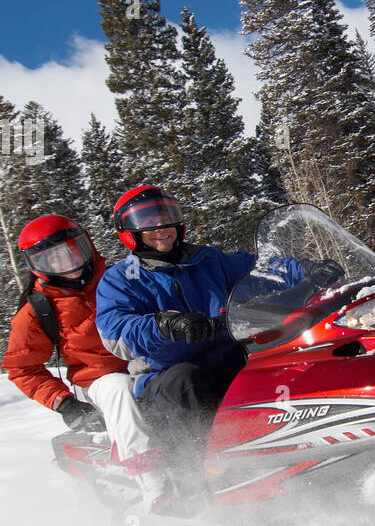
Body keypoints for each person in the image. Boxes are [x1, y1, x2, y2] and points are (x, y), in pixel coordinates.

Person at [95, 186, 341, 477]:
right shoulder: (122, 278)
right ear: (129, 231)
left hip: (228, 352)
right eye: (147, 222)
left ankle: (302, 447)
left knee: (278, 361)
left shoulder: (207, 259)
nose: (161, 228)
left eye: (166, 217)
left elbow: (260, 269)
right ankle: (200, 478)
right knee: (188, 380)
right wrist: (165, 325)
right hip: (163, 374)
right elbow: (117, 330)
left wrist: (306, 269)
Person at [2, 214, 167, 507]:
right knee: (118, 388)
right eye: (52, 259)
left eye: (72, 249)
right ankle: (154, 485)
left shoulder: (118, 277)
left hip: (147, 364)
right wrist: (63, 402)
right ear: (36, 266)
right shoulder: (39, 308)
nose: (66, 262)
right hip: (97, 382)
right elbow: (22, 367)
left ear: (86, 244)